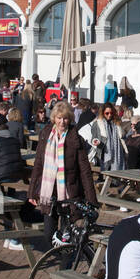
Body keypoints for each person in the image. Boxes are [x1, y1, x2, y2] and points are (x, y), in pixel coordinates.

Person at [28, 101, 98, 248]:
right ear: (54, 118)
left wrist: (91, 199)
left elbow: (85, 170)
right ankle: (61, 257)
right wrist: (32, 191)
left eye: (65, 118)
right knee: (49, 235)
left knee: (66, 236)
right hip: (49, 192)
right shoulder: (46, 134)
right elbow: (38, 164)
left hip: (69, 192)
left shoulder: (75, 138)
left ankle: (65, 266)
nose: (62, 121)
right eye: (59, 118)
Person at [80, 103, 126, 171]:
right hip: (104, 151)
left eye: (111, 113)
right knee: (105, 172)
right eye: (107, 113)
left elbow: (121, 137)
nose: (109, 115)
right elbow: (94, 136)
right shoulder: (98, 123)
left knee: (117, 172)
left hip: (117, 152)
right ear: (103, 113)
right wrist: (95, 141)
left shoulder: (117, 124)